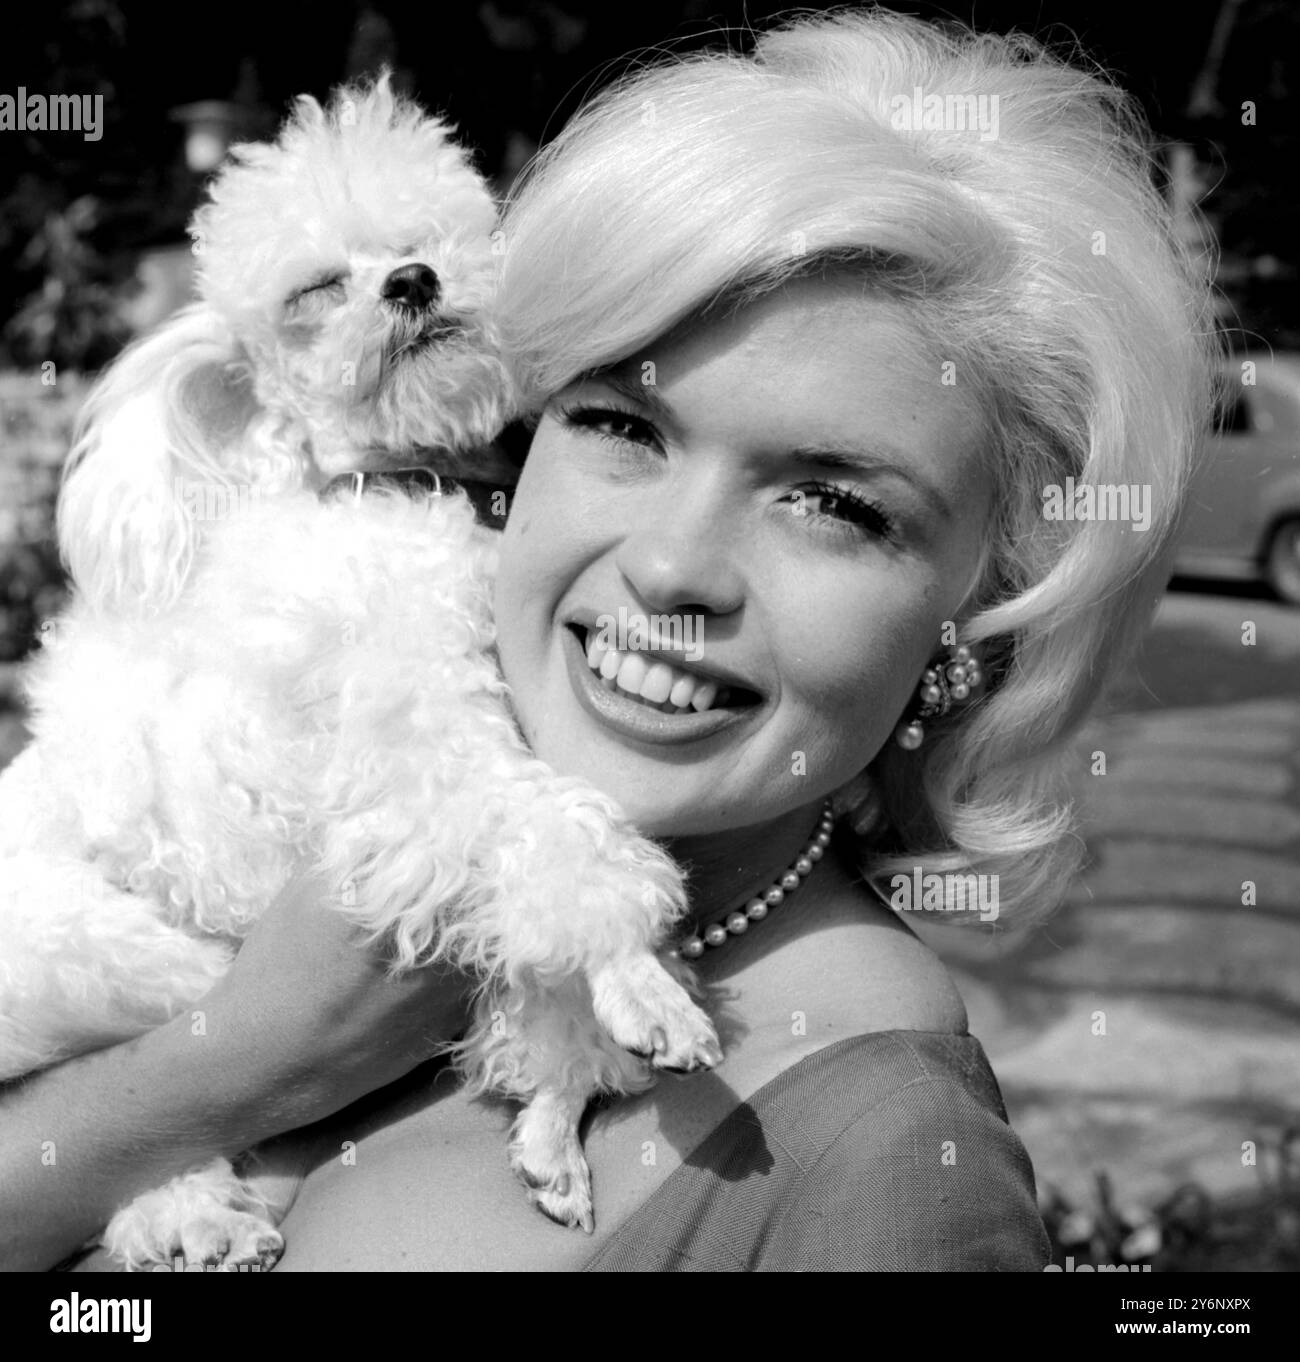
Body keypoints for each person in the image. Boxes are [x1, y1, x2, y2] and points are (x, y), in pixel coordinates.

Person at [0, 8, 1213, 1271]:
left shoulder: (884, 1174)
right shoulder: (302, 899)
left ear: (986, 601)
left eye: (834, 503)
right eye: (622, 428)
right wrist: (234, 1065)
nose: (671, 564)